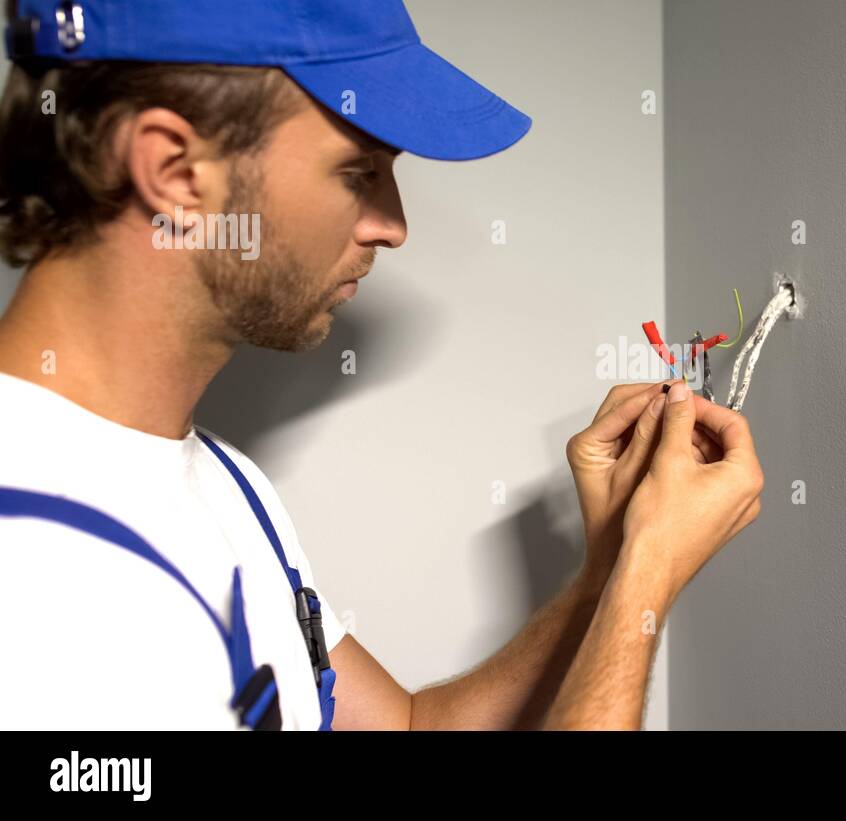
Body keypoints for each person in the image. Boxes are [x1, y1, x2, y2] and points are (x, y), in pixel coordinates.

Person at [0, 0, 763, 730]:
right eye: (358, 171)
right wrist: (648, 574)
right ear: (174, 169)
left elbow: (406, 725)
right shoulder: (36, 583)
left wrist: (613, 563)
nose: (393, 226)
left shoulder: (222, 481)